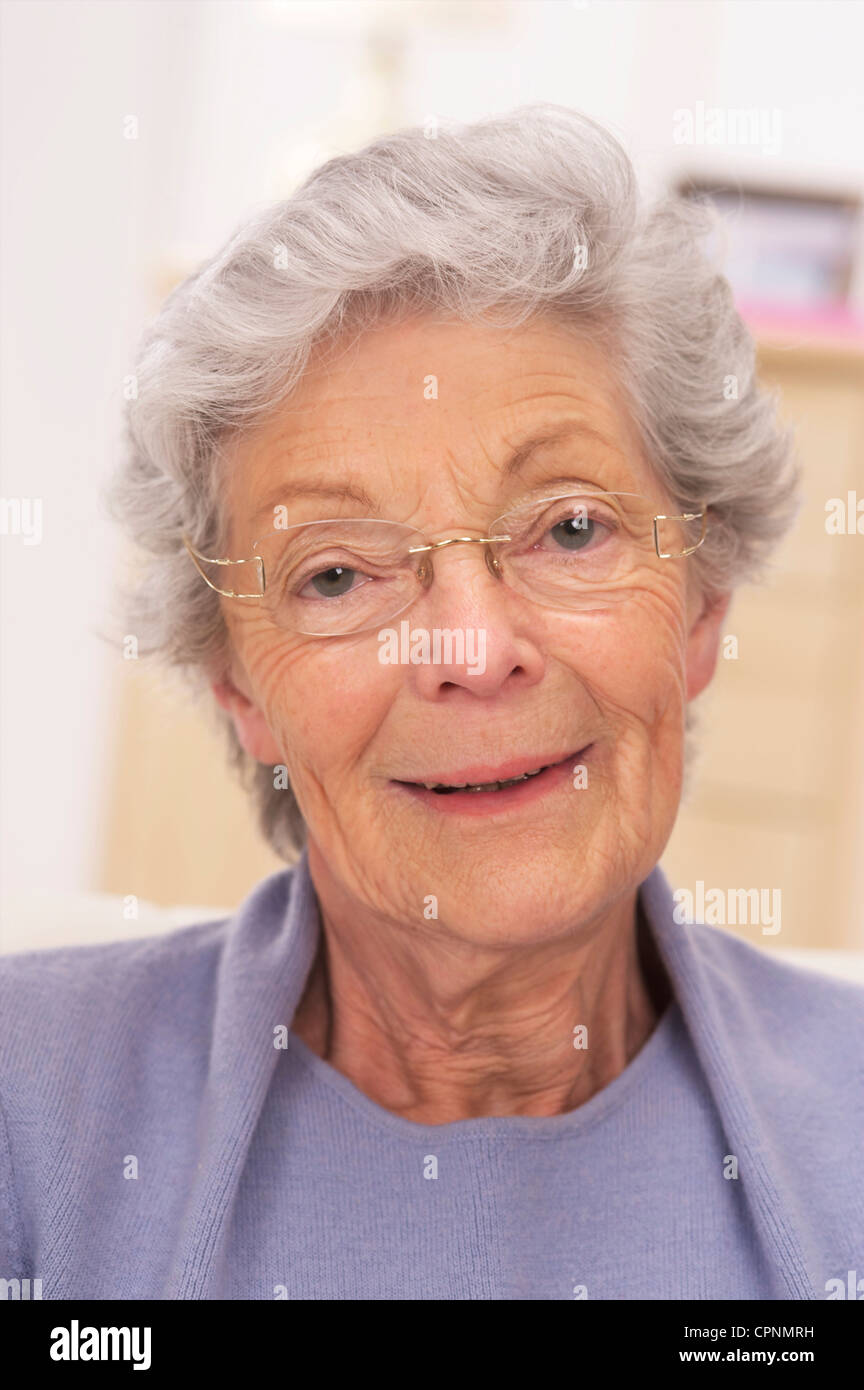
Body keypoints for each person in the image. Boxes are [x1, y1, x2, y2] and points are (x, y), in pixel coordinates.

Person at [1, 105, 861, 1301]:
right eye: (339, 572)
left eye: (570, 527)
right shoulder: (26, 1111)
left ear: (701, 604)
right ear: (238, 681)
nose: (474, 648)